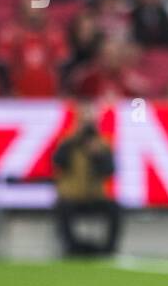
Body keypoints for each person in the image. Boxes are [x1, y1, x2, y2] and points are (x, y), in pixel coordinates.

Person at [51, 105, 121, 256]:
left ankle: (108, 249)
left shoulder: (102, 145)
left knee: (114, 208)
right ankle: (71, 247)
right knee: (62, 207)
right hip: (72, 196)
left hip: (94, 196)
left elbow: (109, 171)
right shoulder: (68, 142)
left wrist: (98, 156)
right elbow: (58, 162)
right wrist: (74, 140)